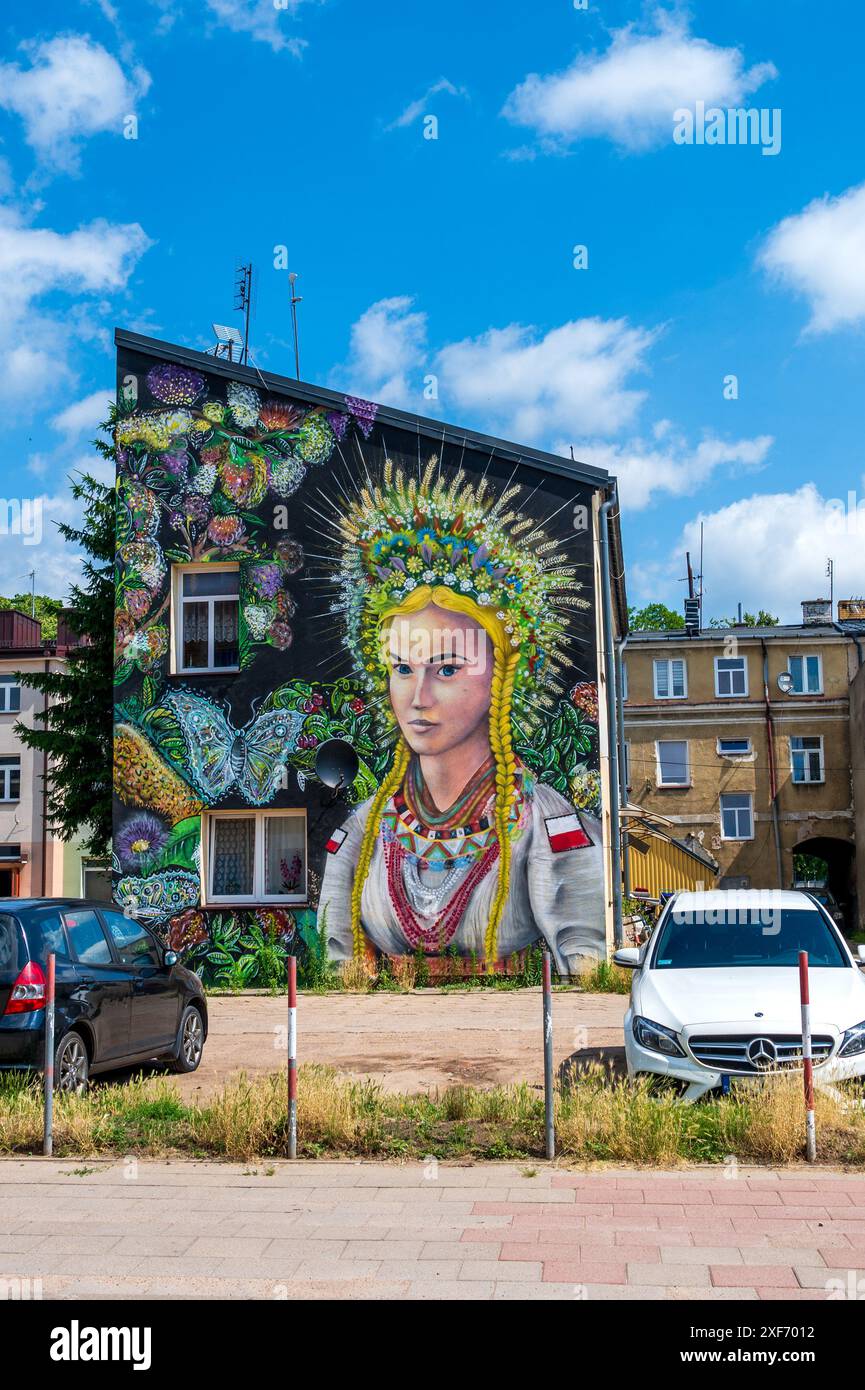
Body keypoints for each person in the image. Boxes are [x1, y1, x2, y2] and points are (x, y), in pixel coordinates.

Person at [319, 460, 605, 974]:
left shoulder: (545, 821)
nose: (418, 696)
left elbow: (584, 964)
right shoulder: (364, 830)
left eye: (447, 668)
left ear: (504, 674)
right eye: (402, 668)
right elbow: (337, 967)